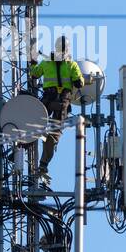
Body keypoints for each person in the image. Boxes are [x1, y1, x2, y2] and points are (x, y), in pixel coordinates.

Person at [28, 36, 83, 189]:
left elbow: (34, 73)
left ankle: (20, 149)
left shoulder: (47, 63)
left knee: (33, 126)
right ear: (68, 49)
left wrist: (33, 62)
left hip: (47, 101)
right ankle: (43, 165)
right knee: (54, 135)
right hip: (61, 103)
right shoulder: (71, 65)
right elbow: (79, 82)